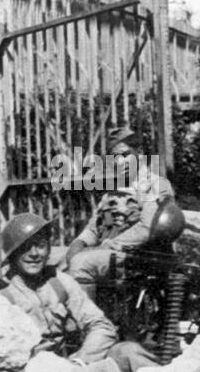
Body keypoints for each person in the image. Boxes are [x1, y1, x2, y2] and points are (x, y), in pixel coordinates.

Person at [0, 212, 156, 372]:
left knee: (128, 351)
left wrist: (80, 361)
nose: (34, 253)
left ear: (48, 249)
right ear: (12, 253)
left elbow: (101, 325)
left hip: (70, 366)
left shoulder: (59, 281)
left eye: (40, 245)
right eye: (25, 247)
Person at [63, 126, 176, 296]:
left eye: (124, 155)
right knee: (53, 258)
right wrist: (79, 243)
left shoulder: (156, 185)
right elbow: (97, 227)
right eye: (114, 157)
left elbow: (147, 228)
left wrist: (107, 246)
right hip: (110, 255)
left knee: (81, 263)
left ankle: (87, 321)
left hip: (139, 258)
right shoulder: (112, 192)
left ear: (139, 152)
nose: (119, 162)